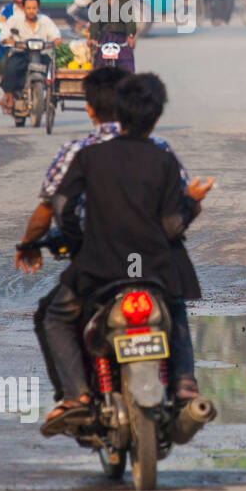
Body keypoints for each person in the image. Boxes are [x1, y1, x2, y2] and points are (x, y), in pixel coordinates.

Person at [40, 73, 213, 433]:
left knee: (56, 317)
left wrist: (76, 239)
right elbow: (171, 227)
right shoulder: (163, 159)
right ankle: (183, 382)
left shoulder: (90, 156)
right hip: (155, 271)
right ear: (157, 117)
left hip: (98, 269)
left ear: (116, 112)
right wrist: (191, 205)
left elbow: (61, 206)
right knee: (176, 309)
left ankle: (77, 396)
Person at [0, 0, 61, 112]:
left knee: (54, 71)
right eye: (28, 8)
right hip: (21, 54)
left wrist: (55, 40)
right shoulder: (15, 19)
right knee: (11, 68)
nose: (31, 11)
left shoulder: (45, 20)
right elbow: (4, 34)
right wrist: (7, 40)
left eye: (34, 8)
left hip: (41, 54)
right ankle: (10, 97)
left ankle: (51, 97)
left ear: (38, 8)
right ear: (24, 8)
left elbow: (55, 35)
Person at [86, 0, 137, 72]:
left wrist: (130, 36)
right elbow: (94, 22)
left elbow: (130, 21)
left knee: (126, 66)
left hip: (121, 37)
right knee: (100, 67)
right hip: (105, 37)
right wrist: (93, 38)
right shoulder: (98, 0)